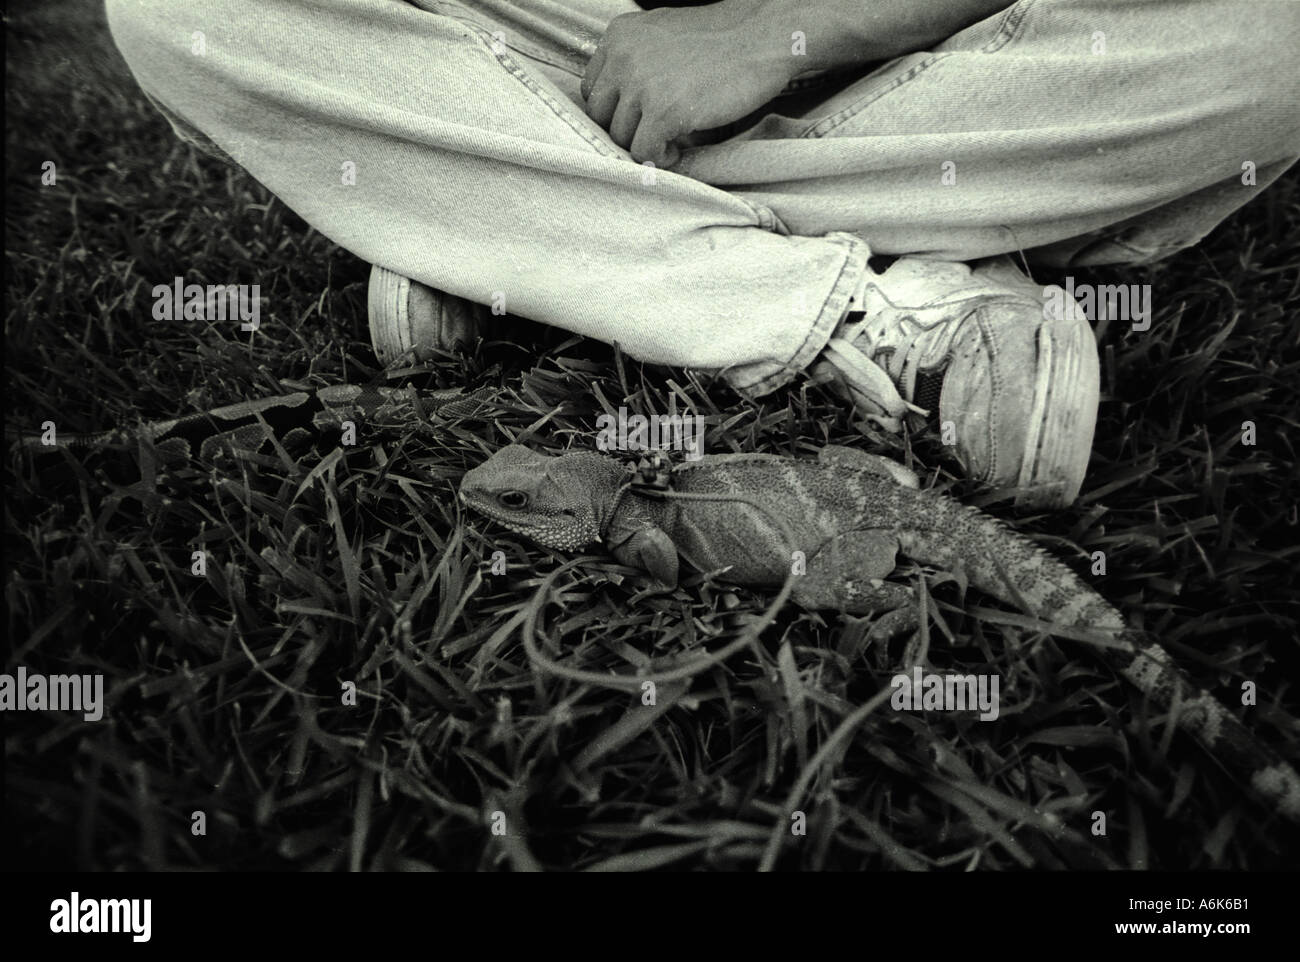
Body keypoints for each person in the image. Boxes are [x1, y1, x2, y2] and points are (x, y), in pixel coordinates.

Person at [104, 0, 1300, 507]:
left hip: (962, 73)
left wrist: (783, 29)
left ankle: (515, 219)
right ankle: (871, 300)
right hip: (609, 58)